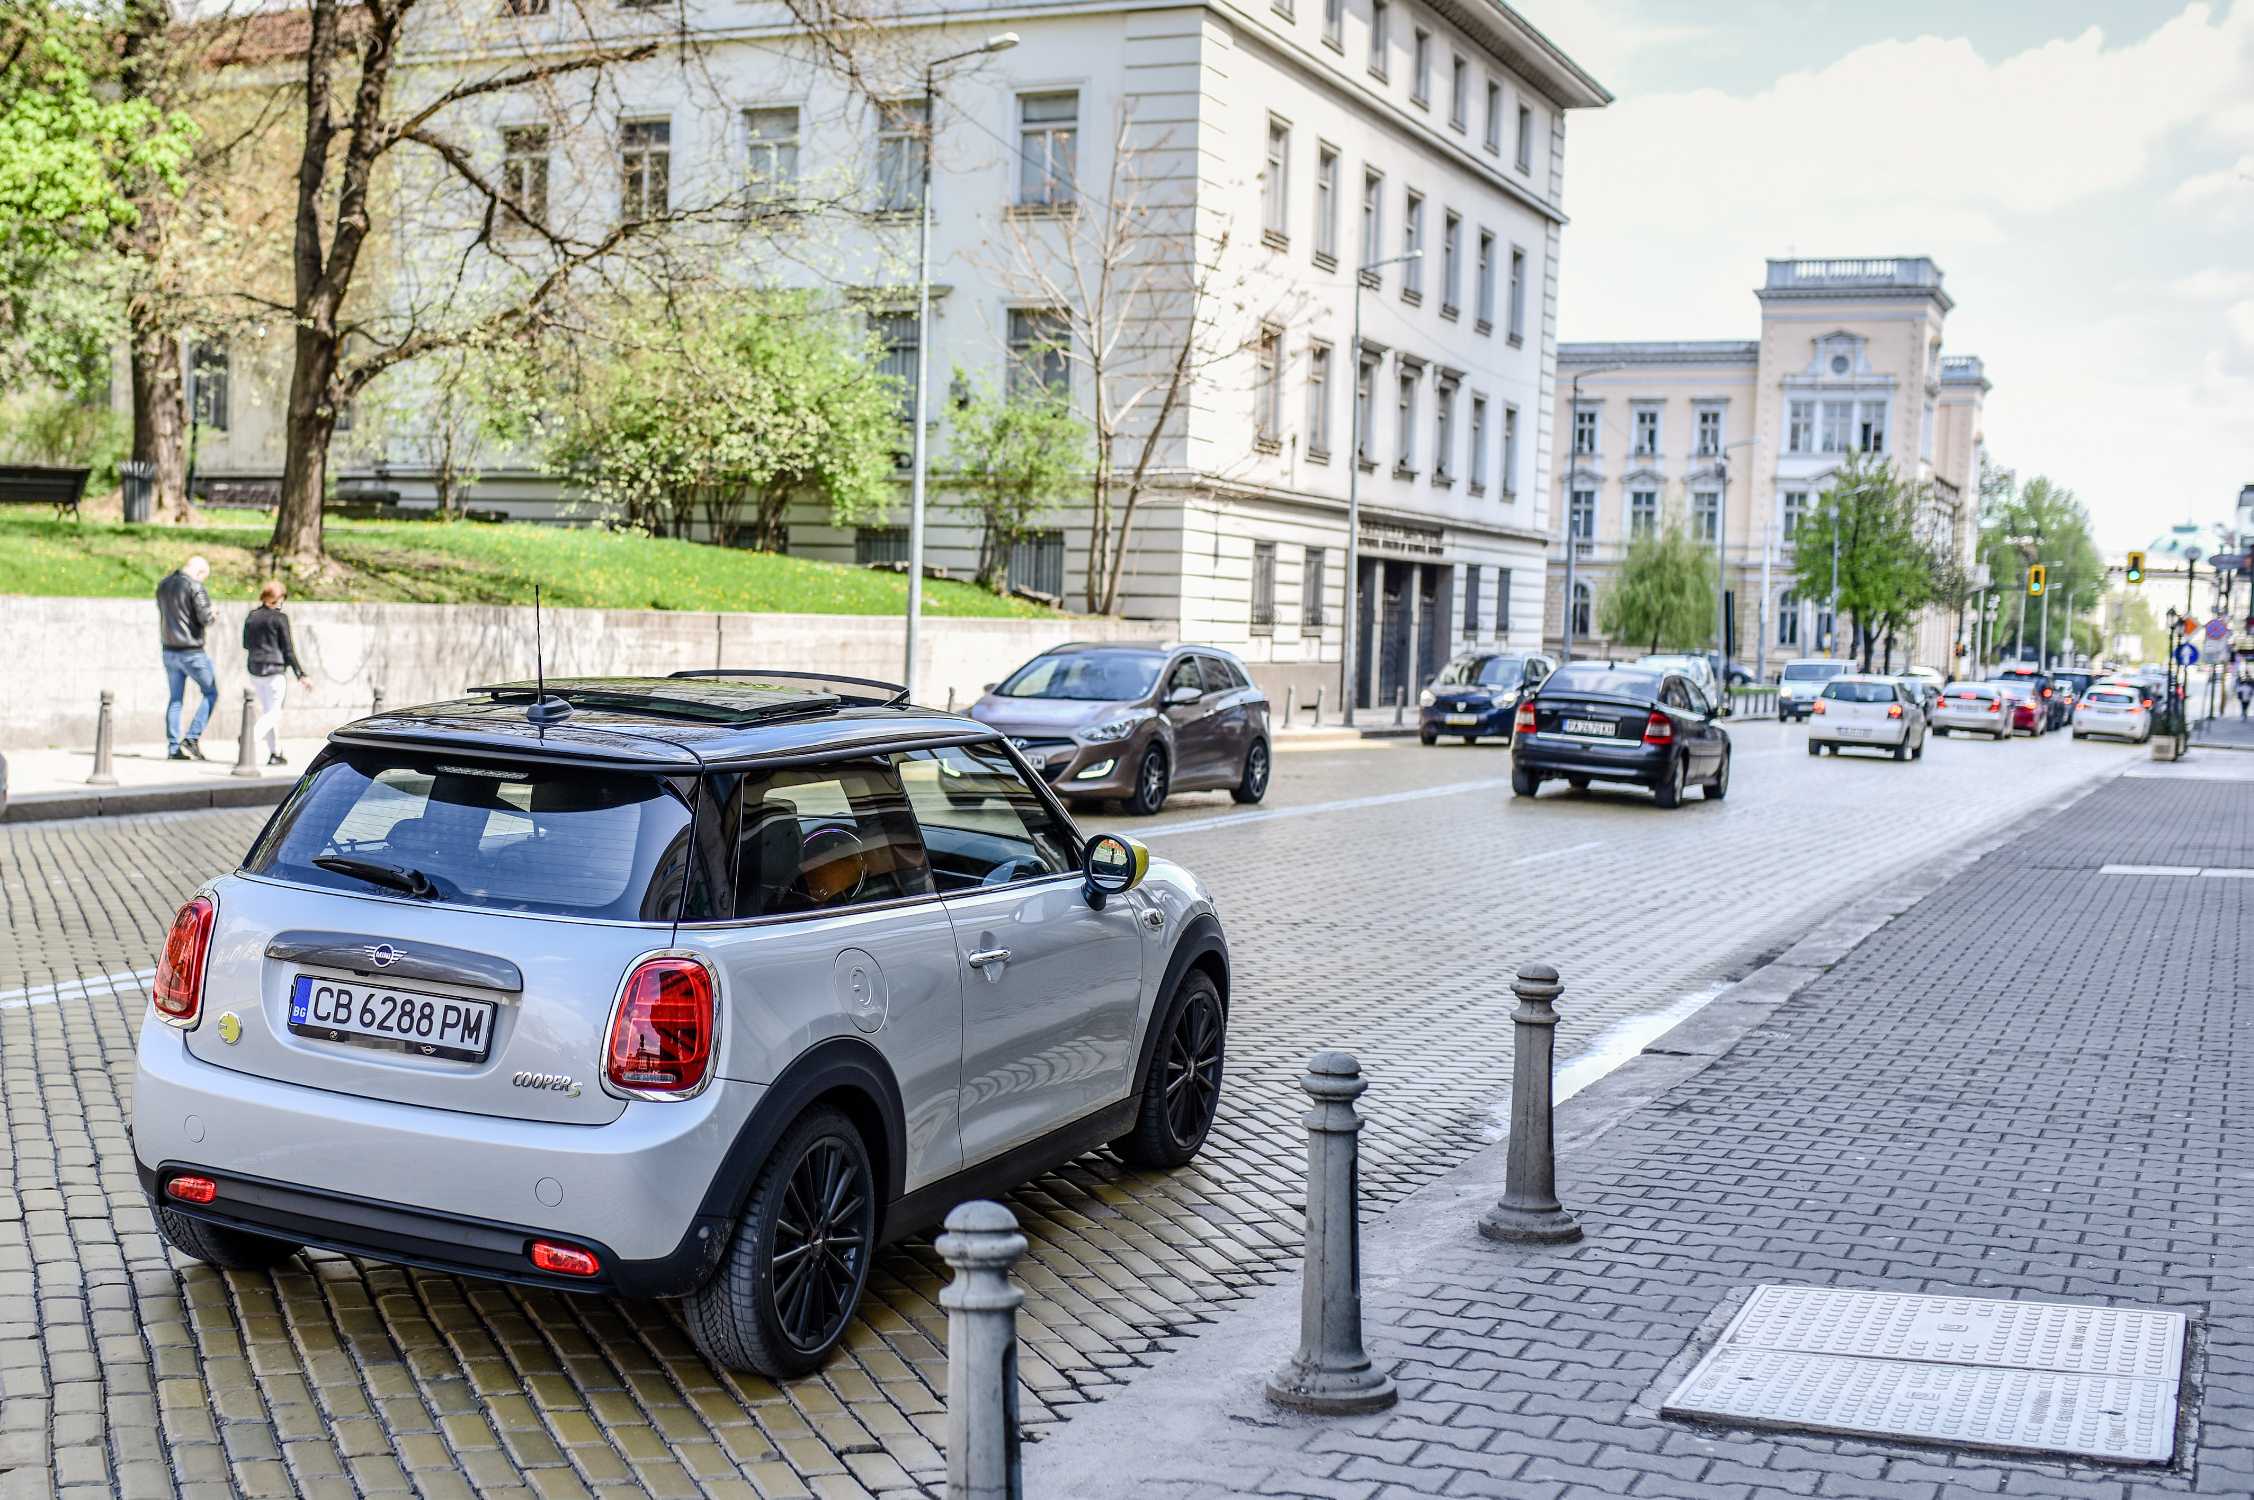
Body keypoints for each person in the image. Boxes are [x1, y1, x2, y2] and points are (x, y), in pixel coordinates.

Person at [244, 580, 312, 765]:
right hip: (274, 671)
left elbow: (246, 644)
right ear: (277, 598)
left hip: (255, 671)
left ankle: (275, 753)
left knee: (269, 711)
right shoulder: (280, 618)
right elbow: (288, 650)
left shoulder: (252, 616)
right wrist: (301, 674)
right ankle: (249, 737)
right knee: (275, 712)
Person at [156, 556, 218, 761]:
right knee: (211, 692)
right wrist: (214, 612)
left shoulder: (163, 585)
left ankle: (173, 748)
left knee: (175, 700)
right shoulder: (195, 586)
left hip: (169, 651)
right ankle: (192, 738)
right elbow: (205, 617)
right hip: (192, 652)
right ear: (200, 572)